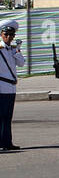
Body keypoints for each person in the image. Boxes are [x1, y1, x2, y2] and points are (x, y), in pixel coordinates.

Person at [0, 19, 24, 152]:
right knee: (1, 117)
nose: (9, 37)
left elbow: (21, 63)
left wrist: (17, 50)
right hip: (1, 86)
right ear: (1, 35)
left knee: (8, 117)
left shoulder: (13, 50)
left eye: (11, 35)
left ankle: (7, 142)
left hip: (11, 87)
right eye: (6, 35)